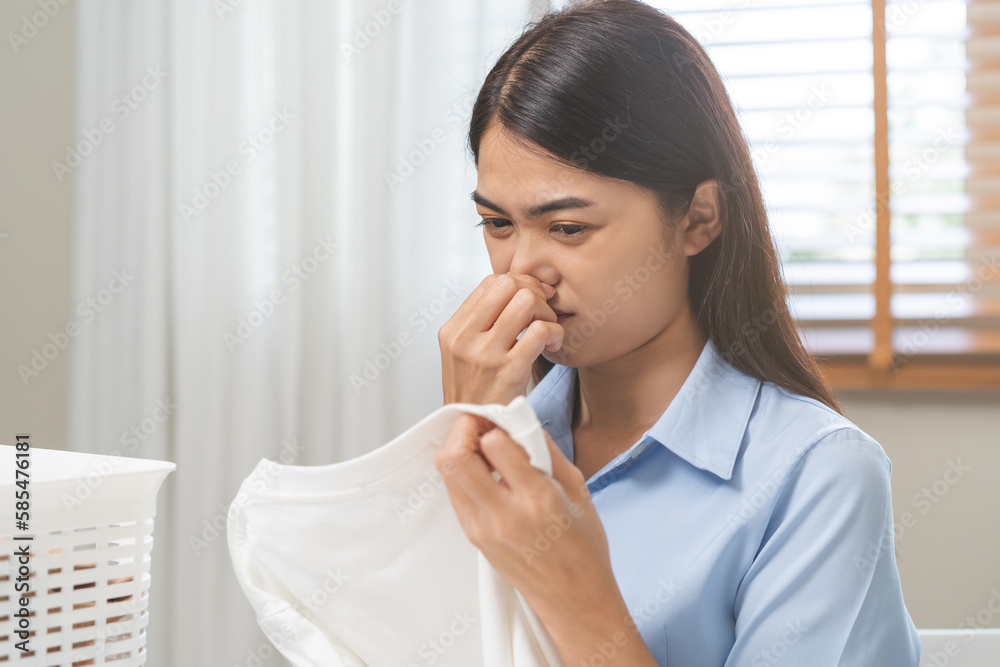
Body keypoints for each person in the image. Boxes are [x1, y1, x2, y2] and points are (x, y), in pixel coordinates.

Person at [434, 1, 922, 664]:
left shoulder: (817, 477)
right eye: (497, 224)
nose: (521, 270)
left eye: (568, 227)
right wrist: (460, 436)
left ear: (697, 219)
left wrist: (578, 597)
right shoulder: (495, 441)